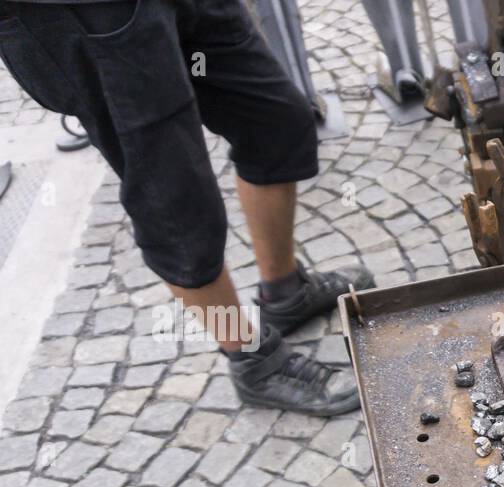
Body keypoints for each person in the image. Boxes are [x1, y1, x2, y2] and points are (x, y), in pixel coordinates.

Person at [0, 0, 374, 415]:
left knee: (275, 121)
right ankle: (252, 359)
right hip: (81, 15)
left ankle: (284, 292)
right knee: (173, 201)